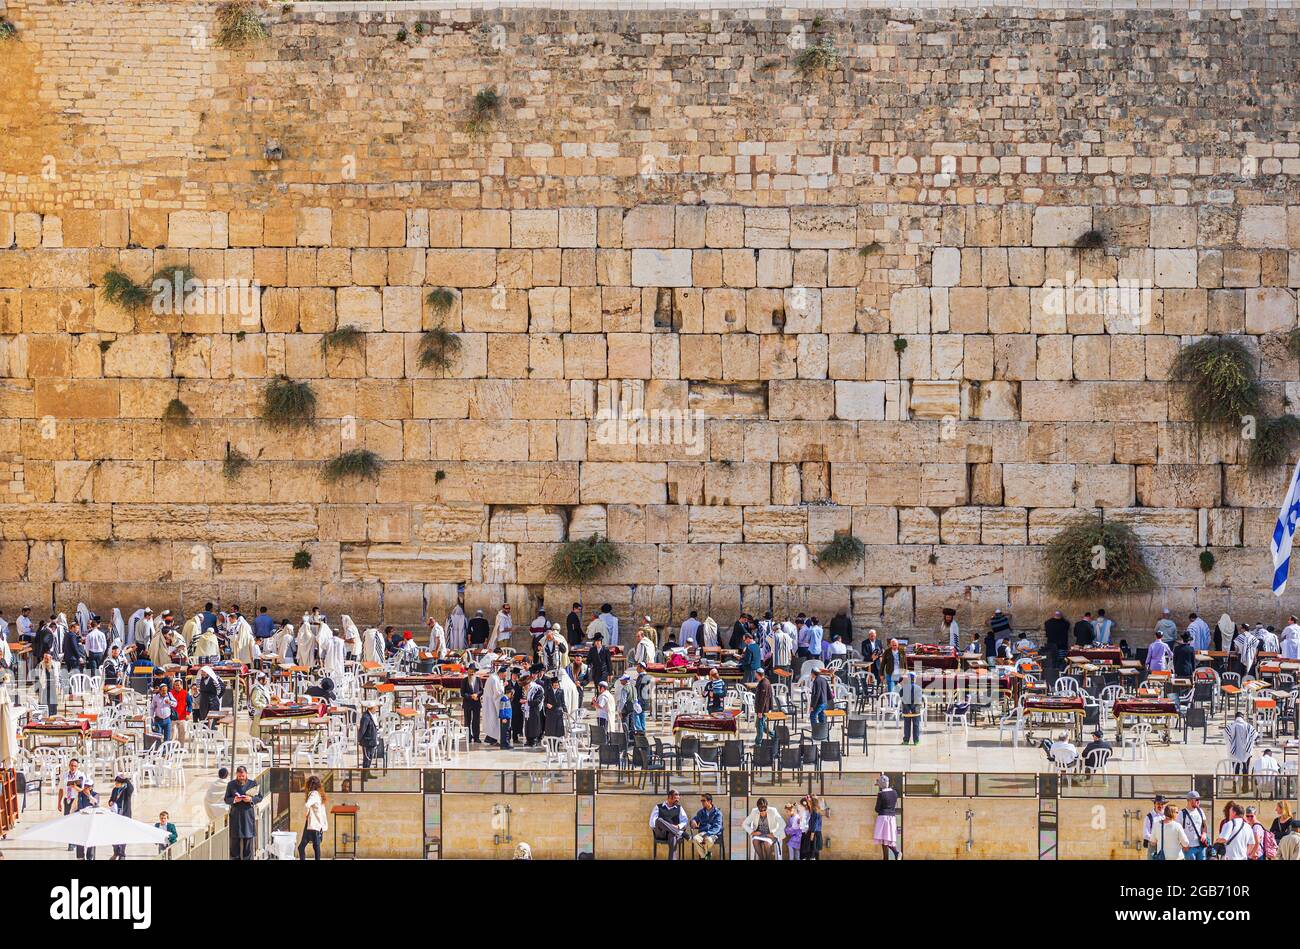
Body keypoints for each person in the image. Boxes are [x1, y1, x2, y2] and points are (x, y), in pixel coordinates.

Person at [224, 765, 264, 859]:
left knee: (248, 847)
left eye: (243, 776)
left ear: (246, 775)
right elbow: (226, 799)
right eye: (239, 776)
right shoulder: (231, 784)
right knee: (234, 847)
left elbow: (260, 797)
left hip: (248, 817)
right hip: (235, 817)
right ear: (236, 775)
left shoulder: (252, 783)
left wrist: (251, 799)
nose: (241, 778)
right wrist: (234, 800)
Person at [649, 789, 689, 859]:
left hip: (672, 834)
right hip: (661, 833)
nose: (678, 801)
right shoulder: (658, 807)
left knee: (673, 836)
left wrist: (678, 826)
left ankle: (677, 832)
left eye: (678, 799)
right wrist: (666, 826)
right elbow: (652, 823)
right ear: (670, 797)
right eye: (676, 799)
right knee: (659, 820)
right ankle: (680, 833)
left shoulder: (680, 808)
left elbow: (685, 821)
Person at [298, 774, 328, 860]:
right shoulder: (319, 794)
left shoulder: (314, 794)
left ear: (310, 784)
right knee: (316, 847)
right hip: (317, 825)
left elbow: (307, 805)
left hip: (312, 824)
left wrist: (306, 814)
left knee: (302, 847)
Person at [1176, 790, 1209, 860]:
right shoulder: (1181, 814)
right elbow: (1177, 831)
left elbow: (1204, 826)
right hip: (1189, 848)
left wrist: (1204, 834)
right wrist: (1183, 845)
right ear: (1190, 800)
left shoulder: (1200, 811)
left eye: (1199, 799)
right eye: (1197, 799)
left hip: (1201, 846)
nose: (1199, 801)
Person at [107, 773, 134, 859]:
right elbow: (111, 799)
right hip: (115, 814)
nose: (116, 784)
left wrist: (125, 779)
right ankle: (115, 852)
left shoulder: (126, 791)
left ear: (122, 783)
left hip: (124, 814)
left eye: (118, 782)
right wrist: (110, 802)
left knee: (123, 835)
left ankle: (122, 854)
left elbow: (131, 788)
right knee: (113, 834)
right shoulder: (115, 790)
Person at [689, 793, 723, 859]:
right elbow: (695, 819)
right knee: (695, 838)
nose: (702, 802)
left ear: (709, 801)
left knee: (708, 840)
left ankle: (704, 856)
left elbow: (717, 827)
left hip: (713, 833)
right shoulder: (701, 812)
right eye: (701, 801)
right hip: (702, 832)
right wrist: (693, 821)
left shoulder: (717, 813)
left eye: (703, 800)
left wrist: (707, 834)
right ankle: (706, 855)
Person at [874, 775, 900, 859]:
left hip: (883, 818)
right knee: (888, 839)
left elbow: (877, 809)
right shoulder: (895, 792)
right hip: (892, 818)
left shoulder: (881, 794)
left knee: (883, 838)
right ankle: (887, 857)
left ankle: (896, 852)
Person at [899, 670, 923, 745]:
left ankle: (906, 740)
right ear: (915, 679)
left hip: (906, 710)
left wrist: (908, 709)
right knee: (916, 725)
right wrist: (912, 708)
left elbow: (901, 696)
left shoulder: (904, 687)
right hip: (915, 710)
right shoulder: (919, 688)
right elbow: (918, 700)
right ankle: (916, 741)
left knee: (907, 725)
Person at [752, 666, 774, 745]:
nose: (755, 675)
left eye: (756, 674)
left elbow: (763, 699)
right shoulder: (765, 681)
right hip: (764, 709)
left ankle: (758, 743)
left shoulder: (764, 684)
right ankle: (774, 736)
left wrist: (760, 711)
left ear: (758, 674)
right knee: (762, 725)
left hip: (763, 709)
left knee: (759, 726)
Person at [460, 669, 483, 742]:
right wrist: (471, 696)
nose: (471, 673)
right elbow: (462, 693)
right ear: (468, 672)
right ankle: (468, 737)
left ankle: (476, 737)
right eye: (470, 671)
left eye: (473, 672)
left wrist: (477, 695)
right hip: (467, 703)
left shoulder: (478, 679)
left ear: (475, 672)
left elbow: (481, 690)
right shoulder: (464, 680)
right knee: (467, 721)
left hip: (476, 703)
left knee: (476, 721)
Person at [800, 795, 824, 860]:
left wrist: (812, 834)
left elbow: (814, 823)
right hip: (815, 832)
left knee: (812, 853)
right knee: (813, 852)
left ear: (812, 802)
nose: (808, 803)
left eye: (809, 802)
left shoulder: (814, 811)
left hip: (814, 833)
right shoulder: (816, 811)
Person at [358, 701, 380, 768]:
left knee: (370, 758)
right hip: (367, 742)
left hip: (372, 740)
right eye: (375, 708)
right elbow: (362, 730)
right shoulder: (366, 717)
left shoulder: (372, 715)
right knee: (366, 759)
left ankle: (368, 773)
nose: (376, 709)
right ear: (371, 708)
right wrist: (359, 740)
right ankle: (364, 776)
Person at [495, 668, 513, 750]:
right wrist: (503, 718)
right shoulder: (504, 698)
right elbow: (501, 709)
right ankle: (504, 744)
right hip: (505, 718)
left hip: (507, 717)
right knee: (504, 732)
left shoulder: (507, 699)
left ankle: (506, 743)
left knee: (507, 731)